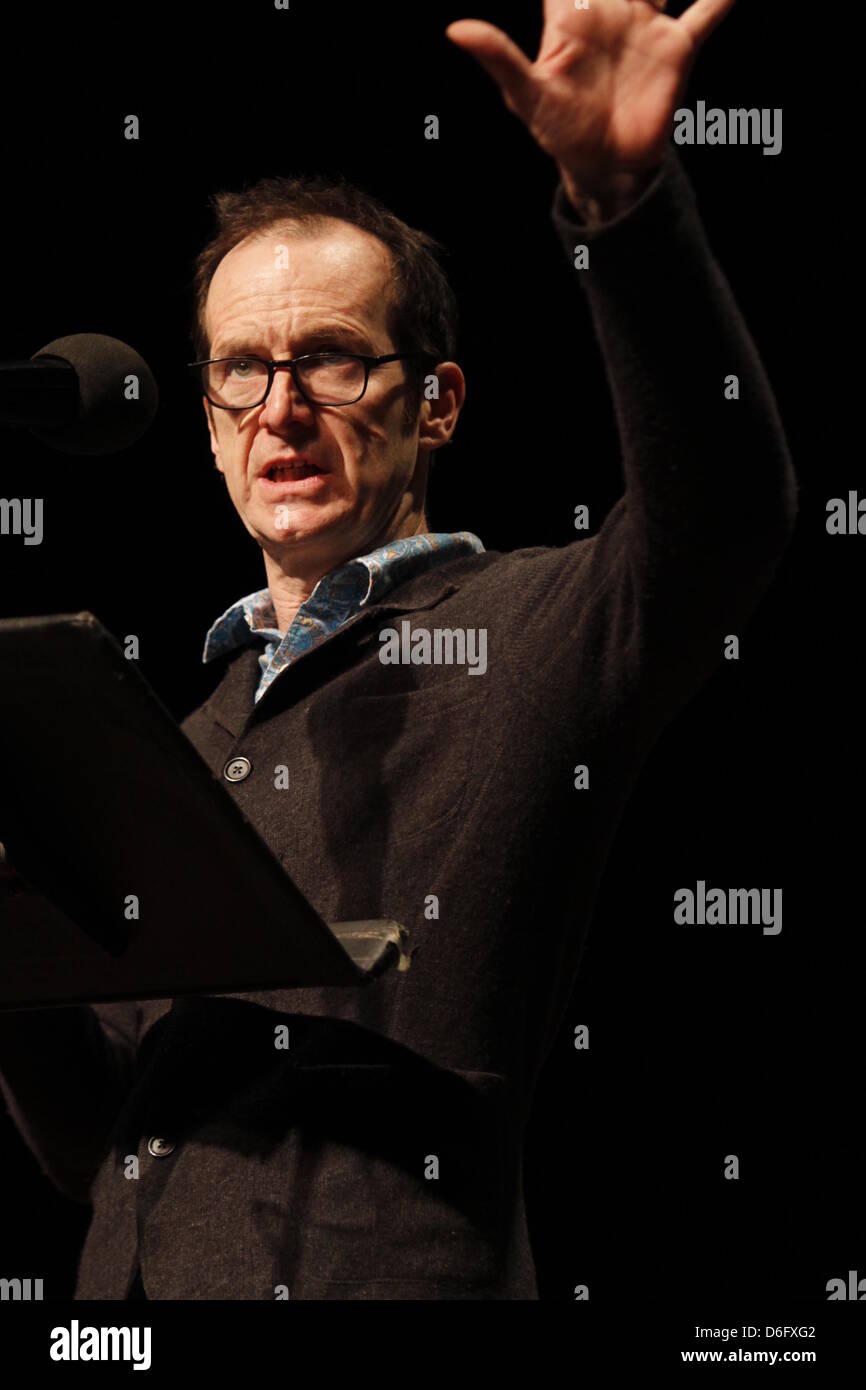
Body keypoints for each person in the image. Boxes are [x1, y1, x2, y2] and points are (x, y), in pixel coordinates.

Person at [1, 0, 797, 1300]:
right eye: (241, 371)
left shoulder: (527, 631)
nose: (281, 410)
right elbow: (101, 1143)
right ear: (207, 426)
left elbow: (721, 519)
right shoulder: (177, 739)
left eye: (329, 361)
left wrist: (624, 206)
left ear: (436, 405)